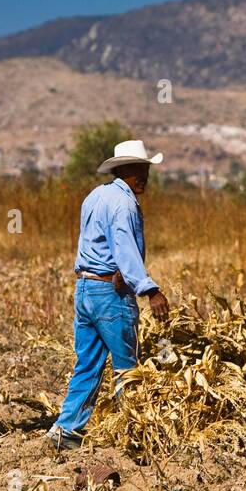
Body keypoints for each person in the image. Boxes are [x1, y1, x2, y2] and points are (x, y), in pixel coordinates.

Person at [46, 139, 170, 451]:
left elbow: (96, 243)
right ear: (123, 170)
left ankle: (66, 431)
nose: (144, 176)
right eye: (138, 169)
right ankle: (136, 436)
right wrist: (150, 290)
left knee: (87, 364)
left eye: (145, 169)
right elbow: (125, 249)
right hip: (109, 295)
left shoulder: (96, 195)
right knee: (127, 367)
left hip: (85, 288)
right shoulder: (124, 204)